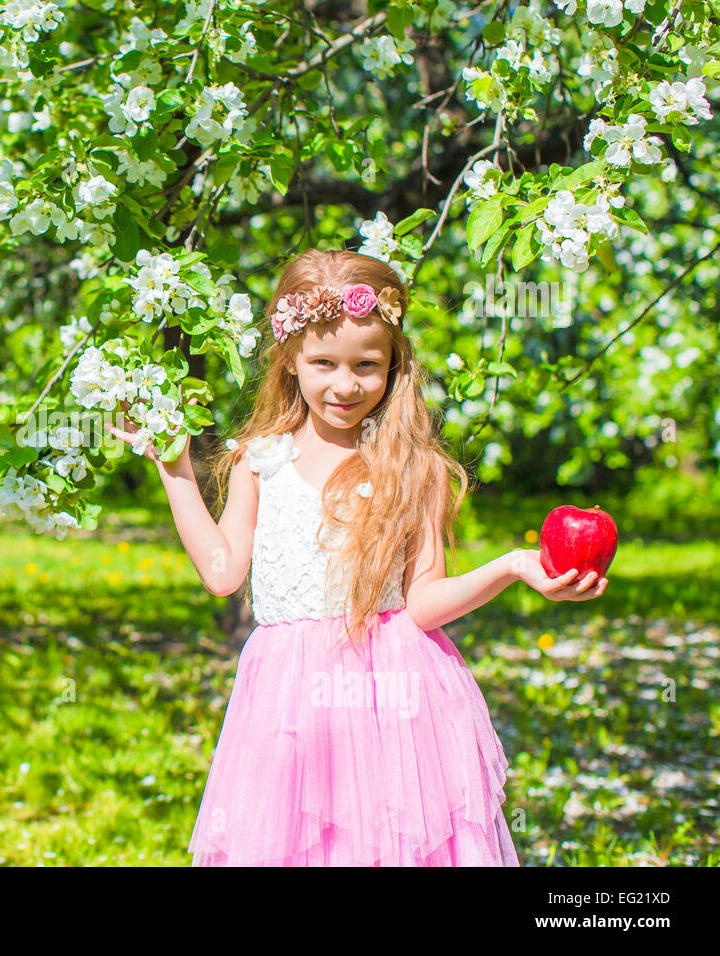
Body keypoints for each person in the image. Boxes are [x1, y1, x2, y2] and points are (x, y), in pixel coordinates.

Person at [106, 248, 608, 866]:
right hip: (288, 701)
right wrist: (175, 469)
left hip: (393, 695)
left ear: (393, 364)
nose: (345, 385)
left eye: (366, 365)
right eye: (323, 363)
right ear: (290, 360)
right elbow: (221, 572)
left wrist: (513, 565)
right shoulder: (259, 459)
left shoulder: (414, 467)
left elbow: (424, 604)